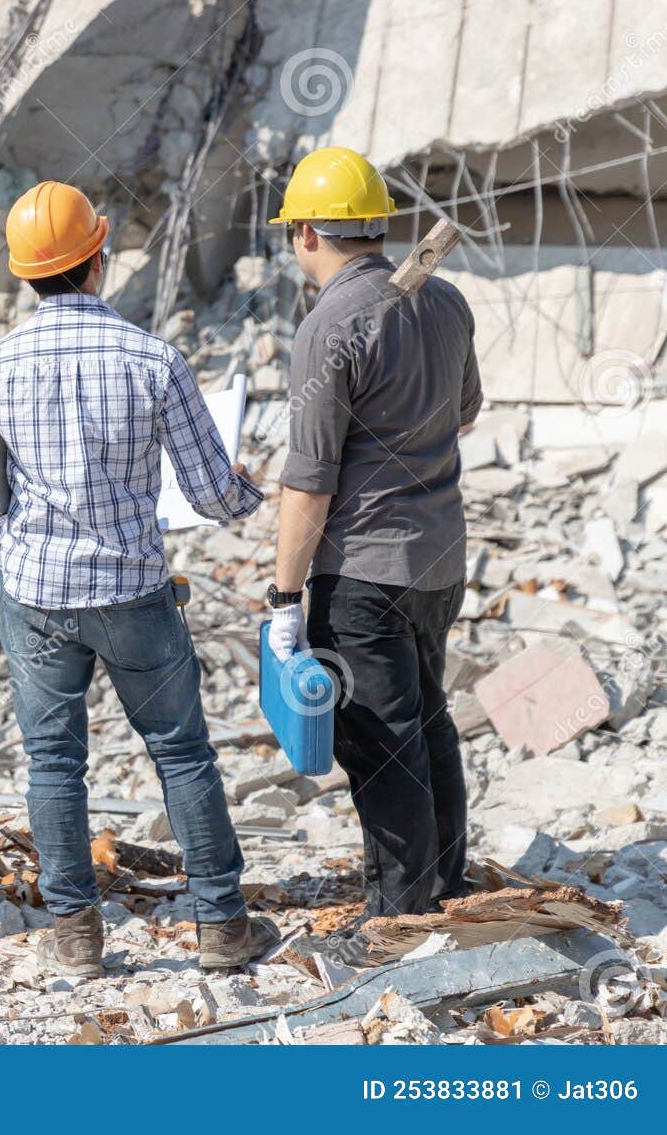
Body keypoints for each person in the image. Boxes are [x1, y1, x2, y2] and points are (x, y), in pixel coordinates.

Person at [0, 180, 280, 975]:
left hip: (36, 595)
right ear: (98, 257)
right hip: (132, 588)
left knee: (52, 761)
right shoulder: (154, 360)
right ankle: (221, 925)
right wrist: (249, 490)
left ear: (23, 275)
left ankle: (76, 934)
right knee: (181, 752)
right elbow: (210, 494)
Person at [266, 146, 481, 920]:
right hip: (439, 561)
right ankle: (447, 888)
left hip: (365, 571)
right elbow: (463, 412)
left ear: (306, 233)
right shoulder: (446, 300)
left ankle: (399, 914)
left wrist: (284, 596)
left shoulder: (329, 325)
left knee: (381, 742)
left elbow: (308, 483)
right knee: (428, 721)